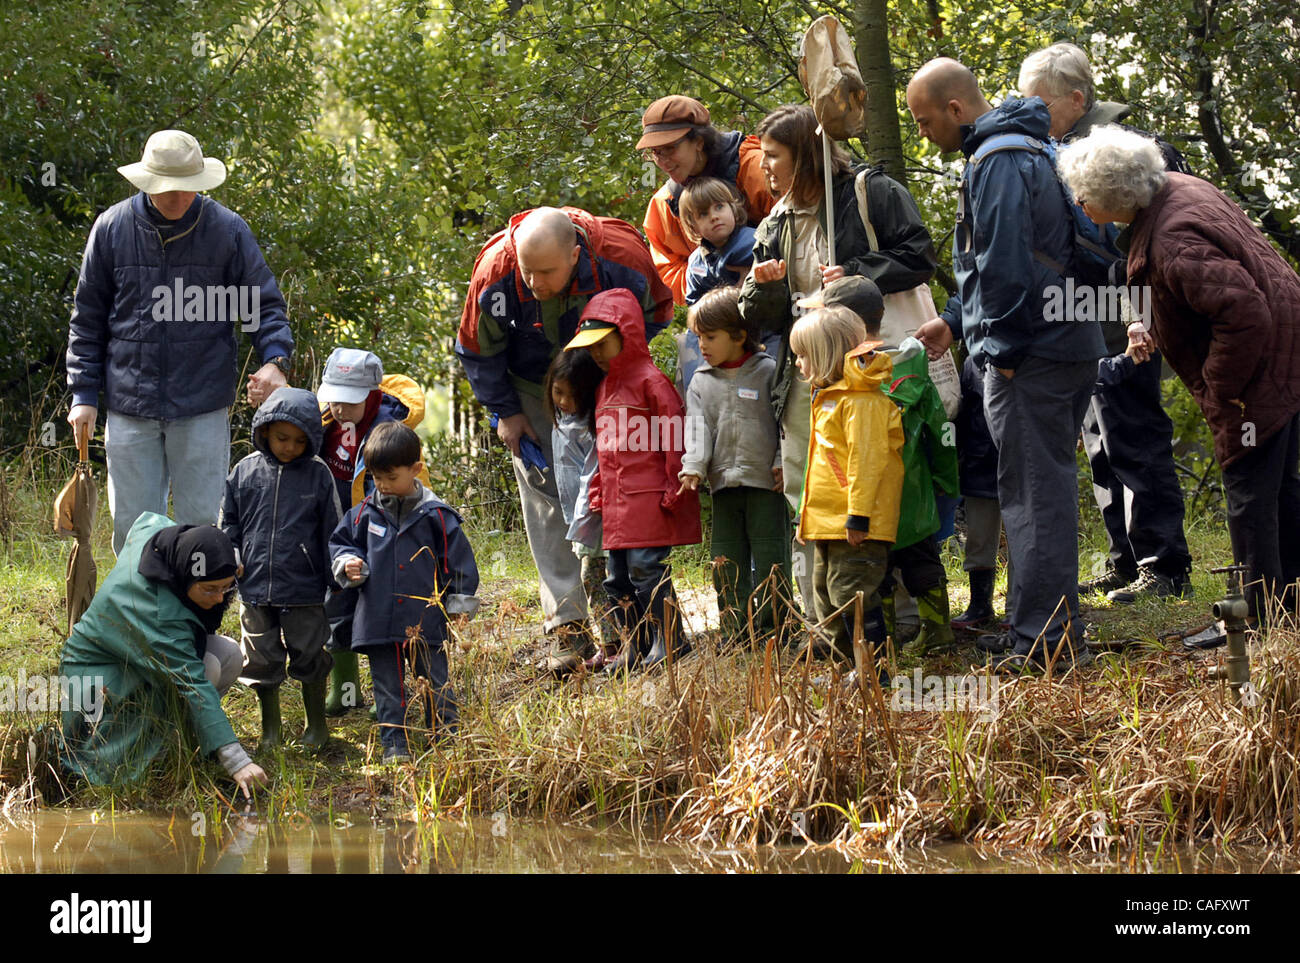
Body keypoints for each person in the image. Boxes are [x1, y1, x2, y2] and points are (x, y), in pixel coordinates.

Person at [908, 58, 1106, 670]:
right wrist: (955, 317)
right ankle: (1040, 624)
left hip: (1033, 354)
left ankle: (1045, 643)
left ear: (956, 109)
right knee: (1037, 486)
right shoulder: (1035, 145)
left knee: (1033, 492)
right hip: (1071, 340)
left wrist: (1006, 353)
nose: (922, 133)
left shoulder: (994, 161)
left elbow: (1004, 266)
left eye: (922, 120)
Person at [1058, 125, 1300, 626]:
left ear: (1115, 193)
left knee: (1249, 489)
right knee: (1279, 487)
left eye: (1084, 194)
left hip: (1261, 362)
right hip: (1285, 345)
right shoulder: (1179, 190)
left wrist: (1222, 389)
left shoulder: (1172, 239)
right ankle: (1288, 607)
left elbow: (1243, 314)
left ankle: (1255, 622)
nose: (1079, 203)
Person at [739, 103, 937, 618]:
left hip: (870, 368)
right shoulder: (774, 220)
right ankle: (826, 621)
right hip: (807, 376)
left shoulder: (873, 192)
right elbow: (755, 314)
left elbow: (920, 257)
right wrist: (765, 288)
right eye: (763, 156)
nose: (765, 167)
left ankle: (900, 614)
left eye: (775, 156)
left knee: (878, 480)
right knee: (811, 487)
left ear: (806, 154)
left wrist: (854, 272)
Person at [456, 206, 672, 672]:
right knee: (548, 496)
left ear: (575, 256)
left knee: (613, 490)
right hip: (532, 385)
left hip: (603, 377)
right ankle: (567, 627)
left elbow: (655, 312)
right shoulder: (495, 270)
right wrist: (506, 412)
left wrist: (618, 366)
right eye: (526, 271)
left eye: (546, 272)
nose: (533, 282)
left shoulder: (621, 257)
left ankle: (631, 619)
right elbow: (476, 349)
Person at [1019, 42, 1193, 603]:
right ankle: (1125, 560)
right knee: (1099, 442)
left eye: (1042, 104)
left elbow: (1158, 248)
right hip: (1087, 320)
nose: (1034, 115)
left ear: (1077, 98)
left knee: (1135, 434)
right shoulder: (1056, 150)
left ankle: (1164, 565)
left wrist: (1141, 316)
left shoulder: (1135, 154)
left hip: (1132, 319)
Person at [65, 129, 294, 555]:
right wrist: (83, 394)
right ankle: (139, 619)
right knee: (135, 533)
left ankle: (194, 623)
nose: (176, 198)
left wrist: (275, 360)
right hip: (129, 405)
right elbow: (88, 319)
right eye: (167, 189)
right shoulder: (112, 229)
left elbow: (262, 304)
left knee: (203, 529)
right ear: (146, 182)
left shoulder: (227, 231)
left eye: (186, 188)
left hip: (202, 405)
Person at [59, 512, 267, 797]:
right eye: (210, 589)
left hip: (136, 655)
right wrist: (237, 761)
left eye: (226, 587)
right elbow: (193, 685)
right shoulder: (158, 615)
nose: (220, 598)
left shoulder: (164, 542)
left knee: (228, 653)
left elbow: (147, 520)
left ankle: (190, 741)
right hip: (99, 676)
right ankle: (166, 753)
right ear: (185, 577)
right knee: (206, 669)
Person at [565, 288, 701, 671]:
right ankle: (634, 646)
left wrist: (675, 483)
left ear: (626, 334)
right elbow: (604, 450)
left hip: (649, 498)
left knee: (647, 569)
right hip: (617, 502)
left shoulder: (650, 381)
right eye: (589, 345)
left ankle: (671, 641)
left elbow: (675, 435)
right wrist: (597, 490)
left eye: (601, 344)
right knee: (616, 577)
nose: (594, 352)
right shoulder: (605, 385)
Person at [329, 422, 480, 762]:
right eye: (375, 478)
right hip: (378, 621)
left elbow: (460, 565)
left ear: (416, 469)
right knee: (388, 688)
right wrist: (348, 563)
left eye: (390, 477)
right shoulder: (361, 516)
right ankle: (395, 747)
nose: (382, 485)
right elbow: (340, 546)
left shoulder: (438, 518)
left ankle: (447, 739)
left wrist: (458, 608)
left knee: (436, 680)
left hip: (425, 621)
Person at [220, 387, 342, 750]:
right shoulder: (244, 471)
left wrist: (334, 579)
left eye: (300, 441)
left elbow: (332, 532)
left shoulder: (319, 475)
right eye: (281, 438)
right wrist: (233, 557)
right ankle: (269, 731)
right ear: (265, 432)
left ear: (312, 441)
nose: (289, 447)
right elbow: (229, 523)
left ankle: (316, 727)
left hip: (304, 588)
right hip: (253, 585)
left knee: (310, 653)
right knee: (259, 658)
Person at [315, 347, 429, 716]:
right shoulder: (324, 423)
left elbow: (413, 488)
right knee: (338, 606)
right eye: (335, 399)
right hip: (337, 531)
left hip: (378, 532)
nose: (340, 409)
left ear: (372, 394)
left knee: (387, 607)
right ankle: (346, 690)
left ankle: (408, 688)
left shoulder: (391, 433)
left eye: (350, 402)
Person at [789, 306, 903, 673]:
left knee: (851, 595)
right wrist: (809, 520)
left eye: (803, 356)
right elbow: (824, 467)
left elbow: (866, 462)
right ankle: (848, 669)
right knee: (826, 596)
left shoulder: (861, 401)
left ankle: (874, 670)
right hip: (831, 522)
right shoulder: (831, 398)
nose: (797, 364)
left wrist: (859, 515)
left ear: (826, 355)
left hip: (856, 523)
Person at [677, 287, 790, 646]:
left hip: (766, 486)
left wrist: (782, 463)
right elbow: (697, 429)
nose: (702, 346)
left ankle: (777, 629)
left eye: (710, 337)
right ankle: (735, 631)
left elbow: (786, 423)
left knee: (773, 557)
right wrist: (693, 466)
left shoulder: (769, 371)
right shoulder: (700, 382)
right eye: (698, 338)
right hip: (723, 486)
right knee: (725, 562)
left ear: (740, 334)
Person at [864, 284, 960, 654]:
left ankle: (884, 638)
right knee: (922, 560)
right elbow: (940, 432)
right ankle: (938, 632)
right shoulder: (912, 372)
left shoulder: (839, 383)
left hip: (870, 501)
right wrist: (945, 479)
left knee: (879, 569)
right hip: (915, 491)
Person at [637, 95, 774, 305]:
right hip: (721, 316)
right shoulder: (665, 203)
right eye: (656, 152)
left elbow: (801, 233)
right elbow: (667, 270)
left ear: (699, 142)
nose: (663, 161)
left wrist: (762, 272)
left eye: (671, 148)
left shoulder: (758, 169)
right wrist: (716, 285)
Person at [543, 348, 615, 674]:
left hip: (596, 518)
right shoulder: (562, 422)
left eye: (573, 396)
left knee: (598, 579)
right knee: (595, 581)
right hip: (578, 516)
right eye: (558, 392)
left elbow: (593, 474)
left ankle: (616, 644)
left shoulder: (593, 425)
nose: (563, 402)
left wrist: (586, 516)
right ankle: (612, 643)